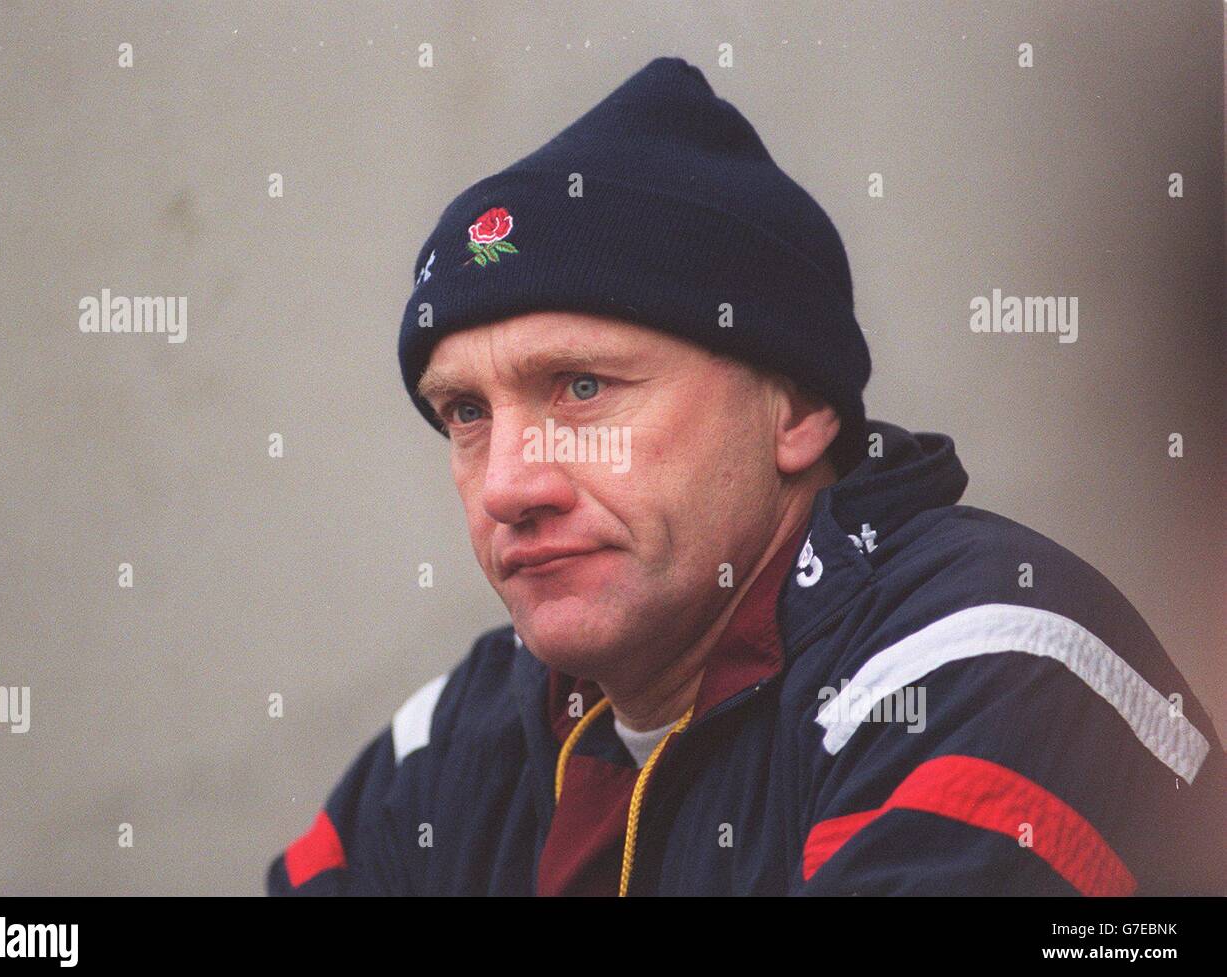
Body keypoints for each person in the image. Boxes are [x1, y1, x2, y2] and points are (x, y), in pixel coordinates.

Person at [267, 56, 1224, 896]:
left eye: (584, 387)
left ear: (798, 410)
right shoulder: (440, 749)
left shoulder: (984, 664)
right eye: (467, 414)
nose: (510, 486)